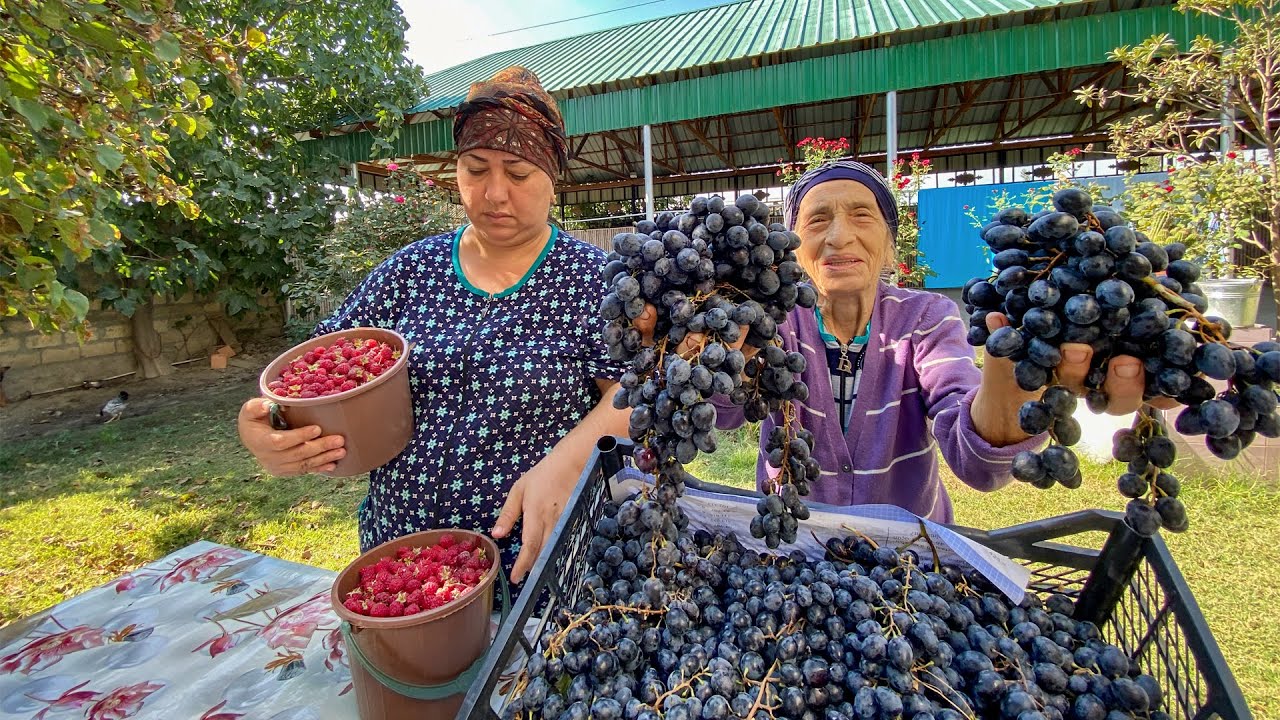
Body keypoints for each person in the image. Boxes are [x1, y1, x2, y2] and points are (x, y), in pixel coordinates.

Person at [237, 67, 629, 582]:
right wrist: (265, 423)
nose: (494, 193)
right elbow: (316, 367)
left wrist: (567, 462)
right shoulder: (411, 270)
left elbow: (634, 391)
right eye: (475, 169)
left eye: (517, 174)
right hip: (402, 567)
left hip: (537, 562)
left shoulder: (591, 279)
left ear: (552, 179)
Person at [649, 160, 1151, 522]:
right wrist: (701, 353)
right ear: (789, 248)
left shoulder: (926, 319)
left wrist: (1013, 384)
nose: (839, 236)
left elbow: (976, 463)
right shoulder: (772, 322)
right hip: (793, 544)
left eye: (862, 216)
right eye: (817, 220)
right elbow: (724, 413)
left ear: (889, 242)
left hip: (911, 558)